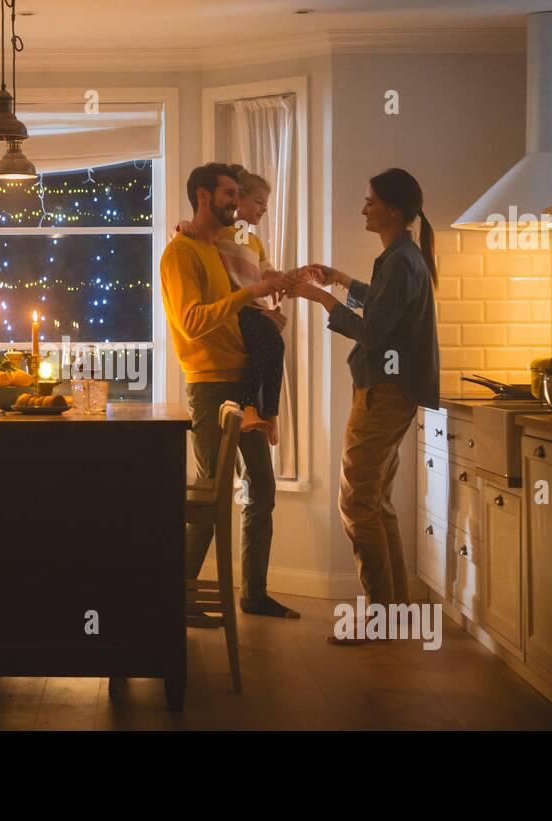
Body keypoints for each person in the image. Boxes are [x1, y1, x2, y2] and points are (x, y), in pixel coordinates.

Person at [288, 168, 440, 643]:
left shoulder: (400, 261)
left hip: (385, 391)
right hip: (393, 390)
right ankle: (394, 613)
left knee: (356, 502)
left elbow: (373, 333)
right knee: (376, 502)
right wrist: (339, 280)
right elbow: (383, 308)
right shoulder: (403, 256)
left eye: (370, 201)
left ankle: (380, 618)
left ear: (392, 210)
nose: (364, 208)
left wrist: (318, 298)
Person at [160, 162, 301, 619]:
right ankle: (179, 598)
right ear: (203, 196)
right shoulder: (180, 253)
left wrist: (263, 299)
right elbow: (194, 322)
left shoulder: (217, 246)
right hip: (210, 386)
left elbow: (241, 295)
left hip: (243, 383)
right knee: (211, 494)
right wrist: (252, 295)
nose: (236, 203)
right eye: (228, 194)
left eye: (240, 195)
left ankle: (253, 594)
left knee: (261, 487)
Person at [175, 167, 304, 444]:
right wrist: (183, 226)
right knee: (269, 346)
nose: (264, 209)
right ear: (240, 201)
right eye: (258, 202)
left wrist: (292, 277)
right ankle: (251, 408)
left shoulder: (254, 242)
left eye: (266, 204)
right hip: (240, 309)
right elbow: (193, 231)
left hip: (254, 308)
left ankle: (268, 413)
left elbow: (267, 275)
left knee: (274, 347)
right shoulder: (220, 234)